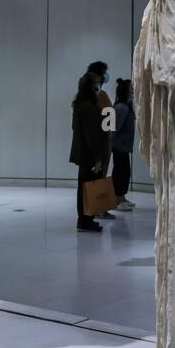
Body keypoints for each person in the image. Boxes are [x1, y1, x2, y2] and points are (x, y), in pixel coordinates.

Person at [70, 71, 110, 233]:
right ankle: (85, 220)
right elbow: (91, 134)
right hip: (89, 154)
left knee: (85, 186)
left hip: (85, 153)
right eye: (95, 83)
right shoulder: (87, 105)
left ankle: (85, 219)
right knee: (87, 187)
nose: (98, 86)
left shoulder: (80, 103)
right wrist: (98, 158)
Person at [85, 60, 115, 218]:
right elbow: (109, 118)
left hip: (94, 141)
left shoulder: (87, 96)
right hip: (103, 142)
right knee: (100, 175)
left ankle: (94, 208)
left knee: (93, 177)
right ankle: (99, 208)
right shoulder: (101, 95)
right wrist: (110, 136)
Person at [111, 78, 137, 211]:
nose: (133, 91)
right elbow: (113, 128)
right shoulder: (121, 107)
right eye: (130, 89)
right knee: (120, 172)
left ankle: (121, 197)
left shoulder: (126, 106)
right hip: (119, 146)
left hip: (123, 146)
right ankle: (117, 199)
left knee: (124, 172)